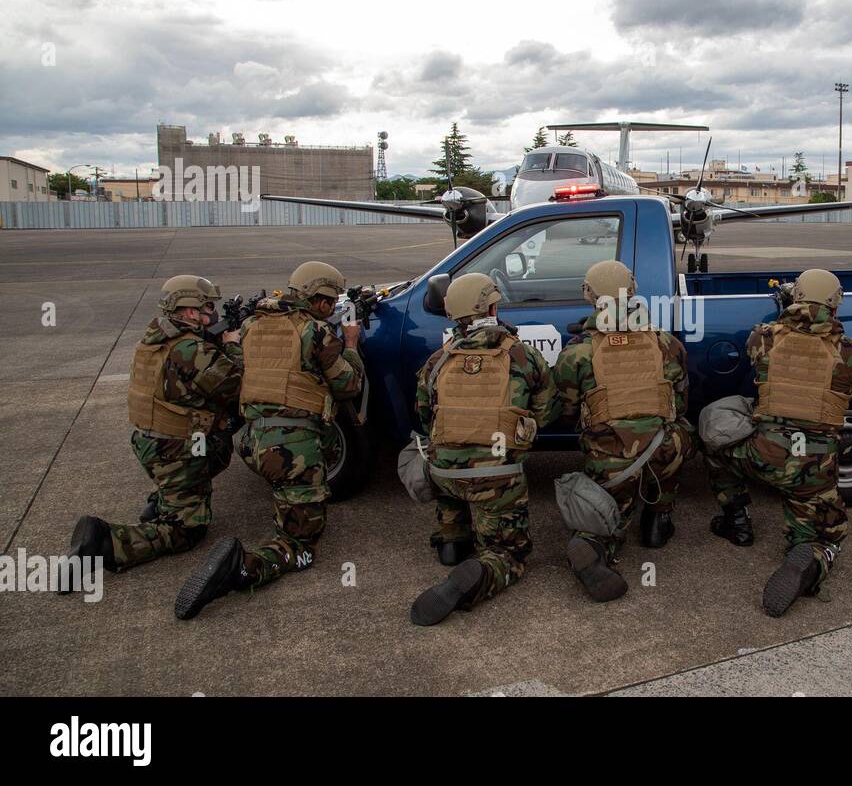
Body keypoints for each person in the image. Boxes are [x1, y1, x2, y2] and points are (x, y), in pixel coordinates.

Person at [173, 261, 364, 619]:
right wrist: (350, 343)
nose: (332, 307)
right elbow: (349, 385)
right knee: (301, 543)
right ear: (319, 301)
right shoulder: (317, 332)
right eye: (331, 301)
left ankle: (286, 503)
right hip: (291, 450)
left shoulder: (249, 325)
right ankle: (242, 566)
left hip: (251, 442)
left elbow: (235, 372)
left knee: (288, 488)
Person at [705, 269, 852, 617]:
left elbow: (758, 360)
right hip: (815, 470)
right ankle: (811, 558)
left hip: (764, 455)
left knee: (716, 447)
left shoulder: (763, 337)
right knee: (828, 535)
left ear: (794, 297)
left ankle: (737, 520)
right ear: (835, 302)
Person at [66, 276, 241, 576]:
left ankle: (162, 502)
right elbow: (235, 384)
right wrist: (233, 346)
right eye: (207, 307)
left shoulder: (153, 339)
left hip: (150, 444)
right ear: (188, 310)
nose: (212, 314)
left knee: (209, 450)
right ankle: (105, 541)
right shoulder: (191, 349)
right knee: (188, 531)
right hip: (176, 451)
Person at [409, 273, 557, 625]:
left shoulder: (437, 361)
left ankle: (452, 541)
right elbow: (548, 413)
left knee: (448, 457)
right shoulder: (523, 356)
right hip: (496, 476)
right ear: (491, 307)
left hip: (444, 474)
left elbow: (424, 415)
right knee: (511, 553)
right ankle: (483, 571)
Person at [552, 261, 696, 602]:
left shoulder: (577, 353)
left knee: (606, 511)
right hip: (664, 450)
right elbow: (681, 402)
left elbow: (566, 411)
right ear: (632, 291)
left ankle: (594, 543)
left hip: (612, 459)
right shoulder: (666, 343)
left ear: (590, 296)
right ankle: (658, 522)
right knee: (679, 431)